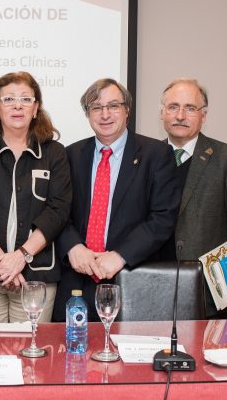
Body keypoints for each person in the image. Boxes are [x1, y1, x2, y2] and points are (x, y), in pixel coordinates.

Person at [52, 78, 179, 322]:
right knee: (70, 344)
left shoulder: (156, 154)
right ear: (87, 114)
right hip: (77, 279)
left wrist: (120, 255)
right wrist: (73, 247)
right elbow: (57, 211)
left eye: (113, 106)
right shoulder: (71, 154)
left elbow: (163, 217)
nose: (105, 114)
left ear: (127, 110)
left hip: (131, 277)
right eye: (96, 107)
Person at [0, 71, 71, 323]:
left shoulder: (54, 153)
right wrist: (2, 262)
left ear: (36, 108)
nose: (17, 105)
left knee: (31, 346)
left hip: (36, 276)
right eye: (8, 99)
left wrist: (20, 257)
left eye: (25, 99)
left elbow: (58, 211)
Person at [159, 78, 227, 318]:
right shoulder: (148, 156)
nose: (180, 115)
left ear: (203, 115)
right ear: (162, 113)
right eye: (173, 107)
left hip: (210, 288)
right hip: (155, 280)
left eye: (190, 108)